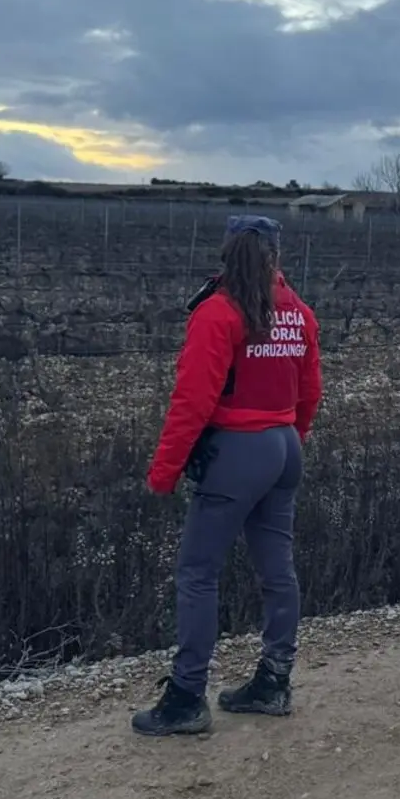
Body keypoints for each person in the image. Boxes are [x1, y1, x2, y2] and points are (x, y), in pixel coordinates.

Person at [134, 214, 323, 737]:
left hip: (237, 451)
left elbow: (193, 400)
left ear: (226, 251)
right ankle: (274, 681)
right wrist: (289, 442)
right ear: (276, 255)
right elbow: (310, 392)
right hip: (283, 447)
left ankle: (187, 696)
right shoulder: (298, 313)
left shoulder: (218, 314)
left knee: (198, 572)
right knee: (277, 571)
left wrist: (164, 471)